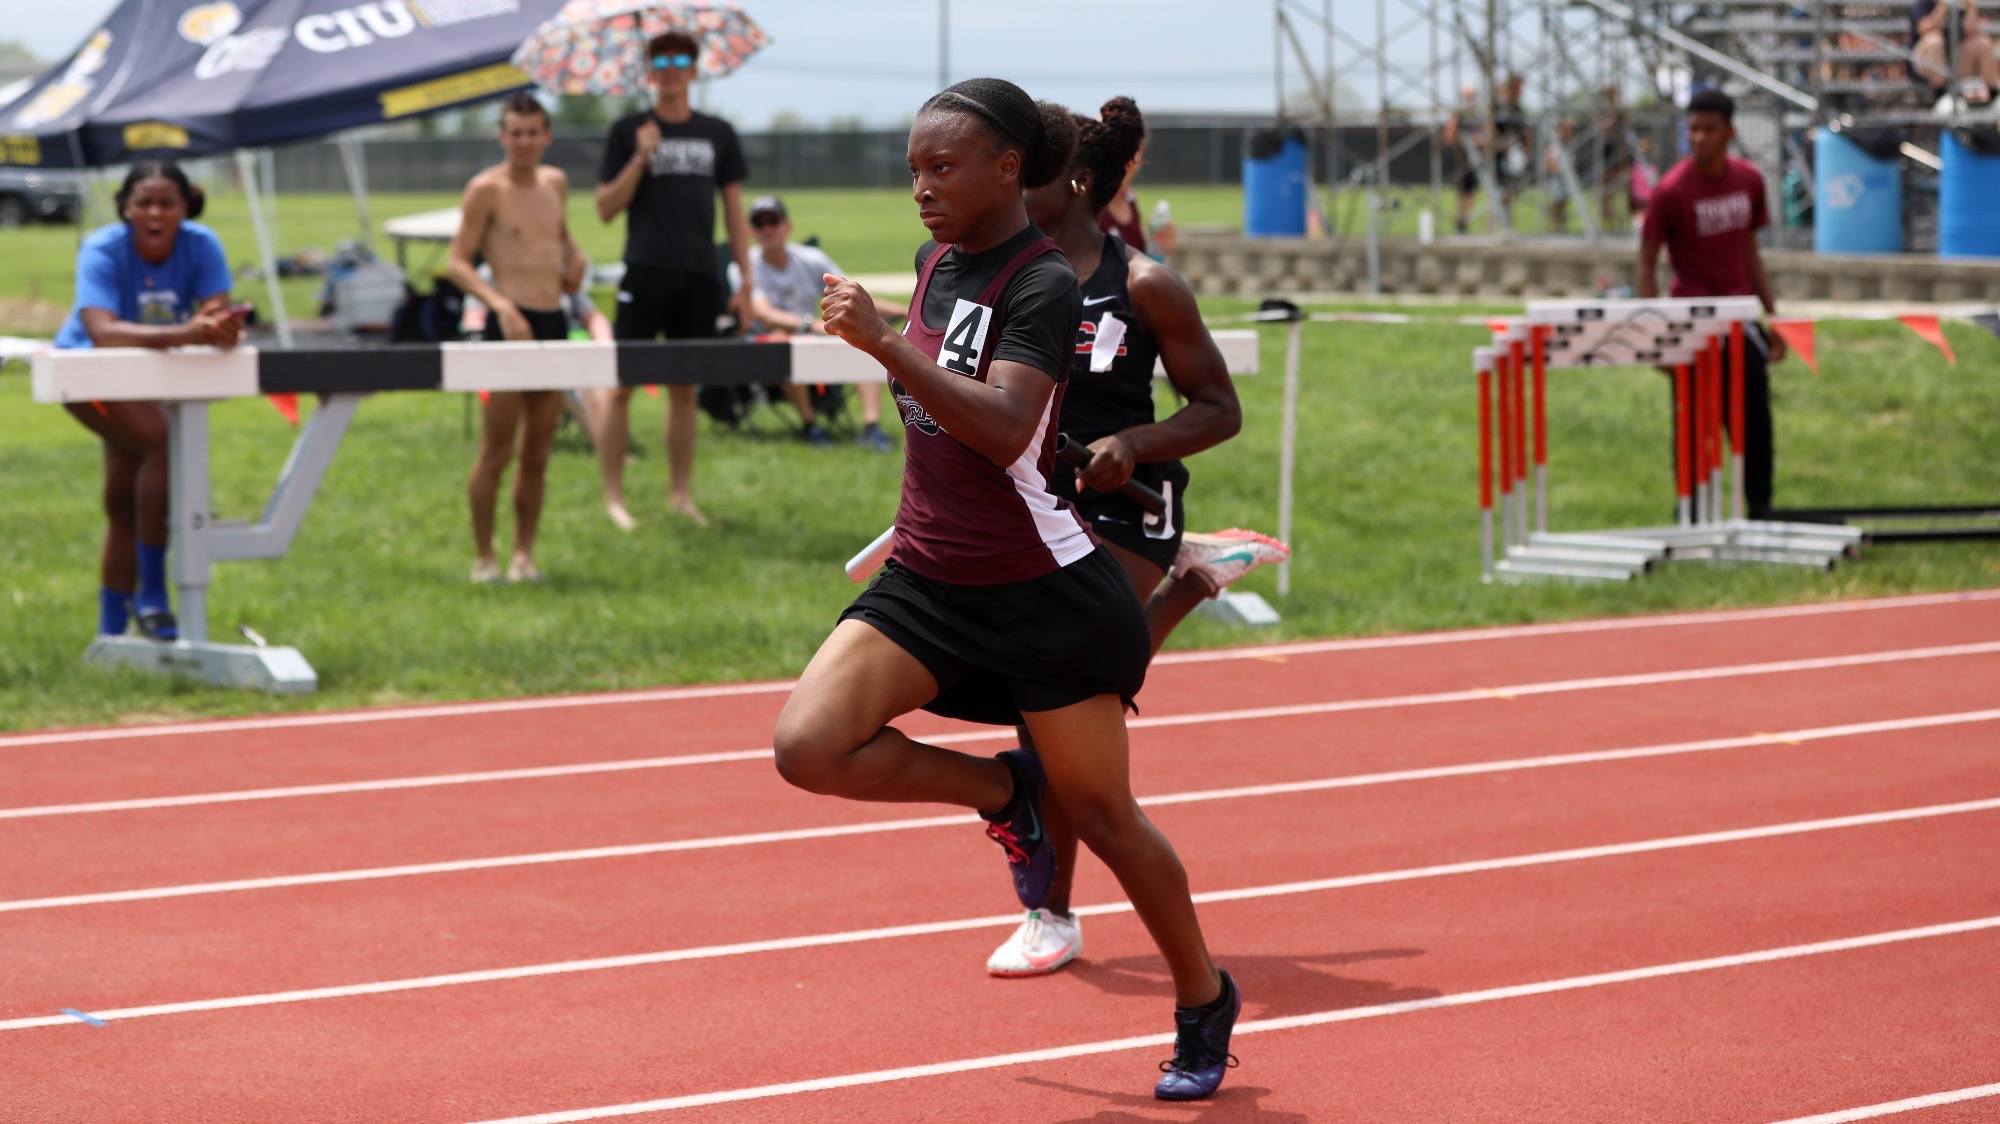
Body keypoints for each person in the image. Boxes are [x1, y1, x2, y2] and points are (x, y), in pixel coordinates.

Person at [772, 78, 1240, 1101]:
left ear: (1007, 169)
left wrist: (883, 343)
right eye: (912, 171)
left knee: (1107, 816)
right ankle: (1004, 793)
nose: (921, 190)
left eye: (941, 168)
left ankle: (1202, 995)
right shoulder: (934, 260)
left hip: (1043, 593)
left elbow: (999, 427)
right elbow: (934, 409)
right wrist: (901, 343)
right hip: (930, 576)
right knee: (807, 745)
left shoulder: (1044, 284)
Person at [992, 95, 1288, 980]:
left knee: (1065, 694)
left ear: (1073, 181)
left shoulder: (1145, 283)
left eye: (1022, 172)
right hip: (1032, 503)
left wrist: (1131, 444)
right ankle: (1198, 585)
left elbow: (1220, 409)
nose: (1003, 188)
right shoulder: (999, 271)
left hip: (1128, 507)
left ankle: (1049, 914)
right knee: (1053, 694)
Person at [54, 160, 245, 641]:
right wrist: (187, 331)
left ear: (187, 207)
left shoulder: (202, 244)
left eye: (167, 203)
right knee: (163, 442)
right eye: (143, 203)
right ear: (125, 207)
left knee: (123, 502)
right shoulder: (101, 248)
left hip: (146, 379)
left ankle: (111, 632)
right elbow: (101, 331)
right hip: (88, 378)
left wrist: (220, 329)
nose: (155, 213)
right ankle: (153, 594)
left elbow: (216, 316)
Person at [595, 30, 755, 528]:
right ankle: (614, 496)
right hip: (645, 271)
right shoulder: (628, 130)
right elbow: (604, 208)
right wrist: (641, 156)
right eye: (660, 58)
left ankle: (680, 496)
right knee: (622, 386)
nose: (670, 66)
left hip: (699, 275)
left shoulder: (718, 132)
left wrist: (745, 281)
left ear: (694, 67)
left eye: (680, 57)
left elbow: (733, 209)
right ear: (648, 68)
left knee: (684, 388)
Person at [449, 92, 583, 583]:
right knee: (497, 451)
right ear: (502, 136)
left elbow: (558, 237)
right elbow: (457, 262)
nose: (524, 142)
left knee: (537, 453)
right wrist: (500, 305)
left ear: (546, 136)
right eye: (515, 133)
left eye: (533, 133)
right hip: (507, 326)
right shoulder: (486, 188)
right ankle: (484, 558)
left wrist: (577, 258)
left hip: (551, 323)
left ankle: (523, 555)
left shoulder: (556, 182)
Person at [1636, 88, 1788, 518]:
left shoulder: (1749, 180)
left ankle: (1760, 508)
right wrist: (1655, 332)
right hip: (1691, 321)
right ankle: (1691, 511)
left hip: (1741, 318)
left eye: (1709, 129)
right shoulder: (1671, 190)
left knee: (1755, 422)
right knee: (1692, 425)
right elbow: (1646, 262)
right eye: (1693, 128)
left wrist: (1774, 318)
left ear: (1729, 132)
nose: (1699, 137)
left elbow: (1750, 251)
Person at [733, 194, 909, 450]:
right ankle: (810, 426)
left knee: (864, 338)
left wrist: (906, 309)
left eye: (773, 221)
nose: (767, 228)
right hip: (765, 344)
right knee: (782, 340)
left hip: (811, 337)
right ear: (751, 231)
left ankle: (871, 427)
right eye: (760, 224)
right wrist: (808, 324)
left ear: (787, 226)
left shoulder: (810, 258)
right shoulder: (746, 265)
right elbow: (763, 314)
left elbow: (850, 294)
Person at [1093, 102, 1177, 258]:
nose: (1124, 158)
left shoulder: (1130, 200)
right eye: (1115, 147)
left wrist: (1158, 248)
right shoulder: (1090, 206)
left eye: (1132, 148)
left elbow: (1137, 263)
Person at [1912, 0, 1999, 104]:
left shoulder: (1962, 4)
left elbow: (1973, 31)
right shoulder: (1923, 5)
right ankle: (1941, 94)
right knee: (1934, 41)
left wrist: (1970, 7)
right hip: (1927, 60)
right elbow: (1924, 29)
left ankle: (1993, 94)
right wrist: (1942, 8)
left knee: (1982, 43)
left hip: (1956, 57)